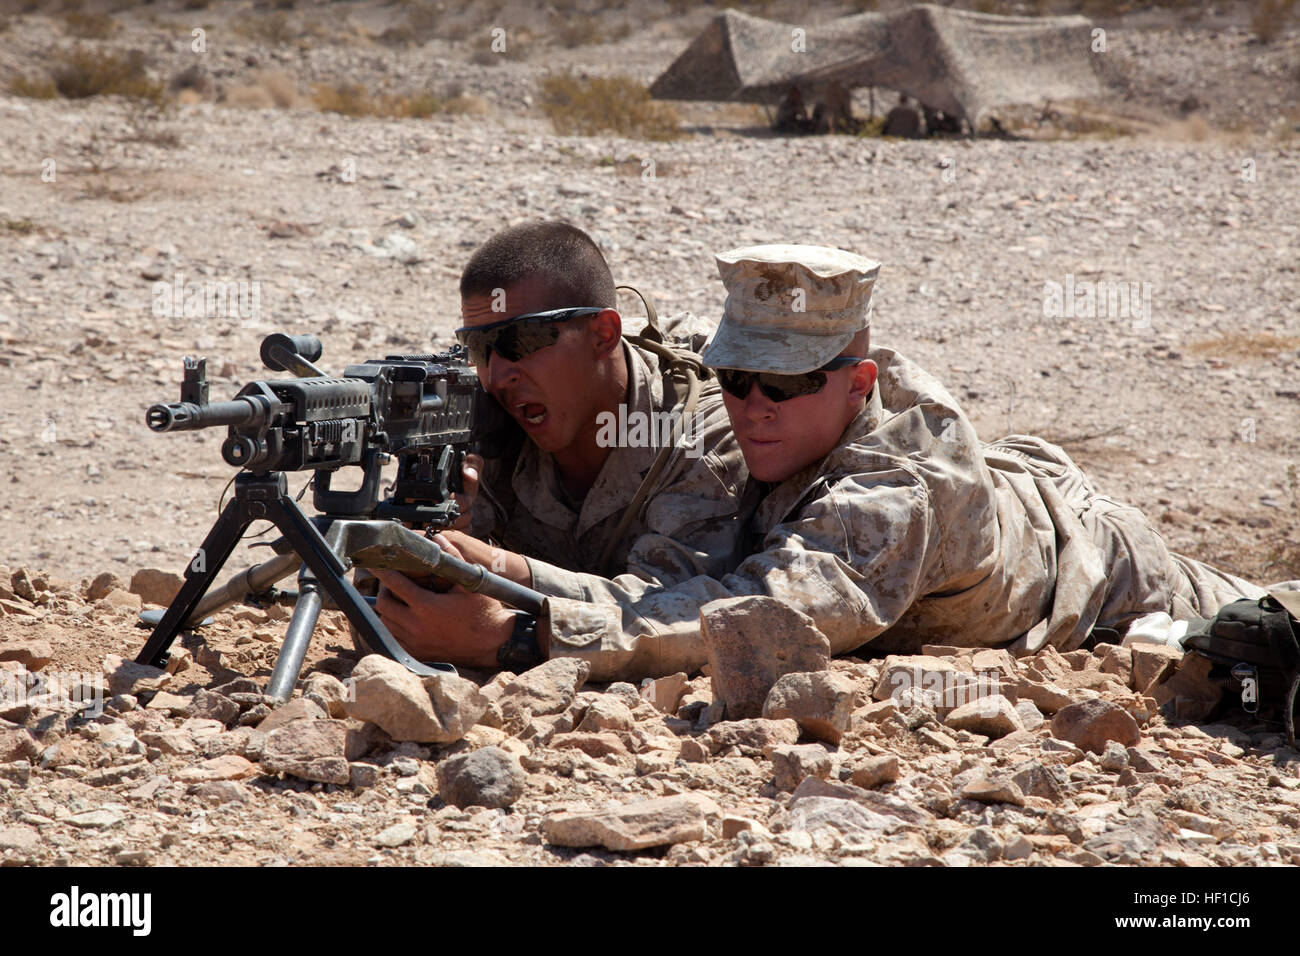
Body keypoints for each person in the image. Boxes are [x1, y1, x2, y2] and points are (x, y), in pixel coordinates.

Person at [391, 242, 1296, 682]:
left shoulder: (896, 489)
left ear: (856, 382)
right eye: (735, 378)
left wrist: (516, 628)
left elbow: (749, 618)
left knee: (1271, 628)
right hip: (1013, 506)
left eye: (782, 387)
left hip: (1102, 574)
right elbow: (658, 584)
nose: (748, 408)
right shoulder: (737, 432)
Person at [368, 221, 748, 670]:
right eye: (479, 347)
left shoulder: (698, 434)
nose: (498, 375)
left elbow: (672, 607)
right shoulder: (480, 421)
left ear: (603, 334)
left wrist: (499, 578)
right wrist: (439, 549)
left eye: (520, 341)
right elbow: (381, 603)